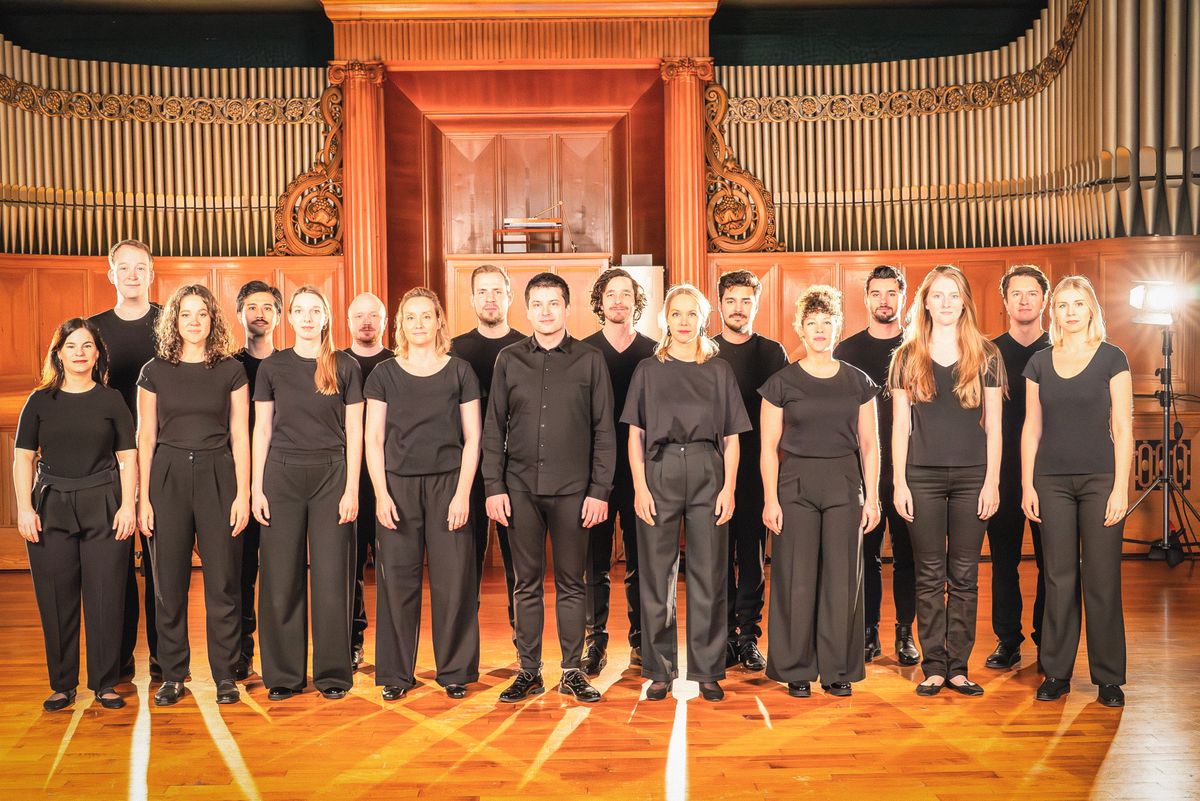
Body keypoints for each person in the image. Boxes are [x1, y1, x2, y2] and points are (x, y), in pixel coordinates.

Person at [483, 272, 614, 703]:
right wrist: (493, 486)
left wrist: (599, 490)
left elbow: (604, 431)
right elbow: (493, 427)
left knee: (573, 582)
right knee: (526, 583)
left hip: (575, 490)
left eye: (553, 303)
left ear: (566, 308)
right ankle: (529, 671)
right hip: (519, 488)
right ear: (526, 310)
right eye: (537, 304)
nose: (545, 311)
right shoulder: (508, 360)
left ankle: (572, 671)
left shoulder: (591, 360)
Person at [624, 283, 751, 702]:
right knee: (656, 575)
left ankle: (708, 669)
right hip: (659, 470)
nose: (683, 321)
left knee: (710, 573)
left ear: (703, 319)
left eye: (691, 313)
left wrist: (729, 487)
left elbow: (732, 437)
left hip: (706, 469)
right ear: (665, 318)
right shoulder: (648, 370)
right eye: (676, 313)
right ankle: (659, 671)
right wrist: (640, 486)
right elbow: (635, 435)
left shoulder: (719, 370)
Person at [889, 265, 1004, 698]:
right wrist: (899, 482)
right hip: (922, 477)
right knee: (929, 573)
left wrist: (992, 482)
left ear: (965, 302)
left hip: (974, 476)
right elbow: (900, 427)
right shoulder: (906, 356)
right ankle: (934, 666)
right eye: (937, 295)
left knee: (965, 575)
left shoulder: (986, 355)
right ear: (925, 302)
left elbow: (995, 427)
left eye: (954, 295)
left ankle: (958, 667)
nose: (945, 303)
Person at [760, 286, 881, 698]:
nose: (819, 330)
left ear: (837, 327)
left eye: (826, 322)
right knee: (796, 578)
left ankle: (837, 669)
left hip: (845, 483)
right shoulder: (780, 383)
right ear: (800, 328)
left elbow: (870, 445)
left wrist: (873, 497)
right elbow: (768, 448)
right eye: (811, 323)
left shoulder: (858, 381)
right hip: (795, 484)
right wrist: (770, 499)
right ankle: (796, 667)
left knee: (842, 579)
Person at [14, 319, 139, 711]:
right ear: (59, 354)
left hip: (105, 504)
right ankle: (62, 684)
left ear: (97, 354)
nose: (80, 353)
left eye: (87, 345)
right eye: (71, 346)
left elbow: (128, 457)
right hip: (50, 506)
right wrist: (24, 508)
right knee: (55, 597)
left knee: (106, 595)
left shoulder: (111, 400)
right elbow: (22, 458)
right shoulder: (39, 401)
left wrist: (128, 505)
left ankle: (105, 683)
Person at [365, 288, 482, 701]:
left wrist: (463, 493)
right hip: (397, 486)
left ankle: (455, 672)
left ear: (438, 322)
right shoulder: (383, 375)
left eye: (426, 316)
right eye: (410, 317)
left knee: (454, 582)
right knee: (398, 583)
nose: (418, 324)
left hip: (449, 484)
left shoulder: (460, 372)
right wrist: (381, 494)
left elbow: (473, 438)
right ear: (401, 325)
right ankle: (397, 675)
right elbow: (373, 439)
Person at [137, 284, 251, 706]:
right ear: (174, 321)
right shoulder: (153, 371)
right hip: (166, 476)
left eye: (202, 313)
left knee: (223, 581)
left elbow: (241, 435)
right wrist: (143, 498)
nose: (194, 321)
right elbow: (146, 437)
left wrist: (243, 493)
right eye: (185, 314)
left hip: (218, 473)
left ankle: (225, 675)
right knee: (168, 583)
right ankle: (172, 675)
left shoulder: (230, 371)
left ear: (212, 319)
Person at [1022, 276, 1132, 708]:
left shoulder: (1112, 358)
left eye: (1079, 303)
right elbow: (1032, 428)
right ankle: (1056, 672)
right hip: (1051, 482)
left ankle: (1109, 677)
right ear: (1055, 312)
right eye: (1063, 304)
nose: (1071, 311)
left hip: (1101, 481)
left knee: (1102, 578)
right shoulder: (1039, 363)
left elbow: (1123, 427)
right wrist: (1027, 483)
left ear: (1091, 309)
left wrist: (1120, 488)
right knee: (1058, 577)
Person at [251, 286, 363, 701]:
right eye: (300, 310)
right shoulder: (272, 367)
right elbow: (261, 430)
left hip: (332, 475)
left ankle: (333, 675)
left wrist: (352, 489)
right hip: (280, 477)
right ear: (290, 317)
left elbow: (356, 433)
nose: (308, 317)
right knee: (281, 579)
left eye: (315, 310)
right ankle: (283, 676)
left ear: (326, 317)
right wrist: (255, 488)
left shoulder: (345, 366)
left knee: (332, 579)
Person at [834, 265, 919, 666]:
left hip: (910, 469)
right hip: (860, 469)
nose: (884, 301)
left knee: (908, 555)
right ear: (866, 299)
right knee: (865, 555)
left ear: (903, 297)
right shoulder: (846, 351)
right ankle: (868, 632)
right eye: (876, 293)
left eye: (891, 293)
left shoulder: (918, 347)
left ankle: (905, 633)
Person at [88, 238, 160, 681]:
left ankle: (164, 659)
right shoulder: (93, 329)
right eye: (124, 267)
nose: (132, 275)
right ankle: (118, 660)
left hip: (161, 455)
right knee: (114, 565)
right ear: (111, 274)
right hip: (108, 460)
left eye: (140, 267)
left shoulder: (170, 322)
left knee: (159, 565)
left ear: (152, 273)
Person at [580, 268, 656, 675]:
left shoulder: (655, 352)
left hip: (642, 473)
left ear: (636, 302)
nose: (619, 301)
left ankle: (642, 641)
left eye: (626, 293)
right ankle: (595, 642)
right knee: (594, 563)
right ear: (600, 301)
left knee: (642, 561)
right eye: (611, 294)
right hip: (594, 474)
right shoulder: (583, 351)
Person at [712, 270, 788, 672]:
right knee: (717, 557)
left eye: (746, 301)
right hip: (713, 470)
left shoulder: (773, 353)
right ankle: (724, 636)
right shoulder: (705, 351)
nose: (738, 308)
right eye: (731, 301)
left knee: (753, 556)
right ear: (719, 305)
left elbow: (786, 414)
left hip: (759, 468)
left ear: (756, 305)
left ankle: (747, 637)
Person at [451, 265, 525, 633]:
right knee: (465, 563)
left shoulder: (527, 348)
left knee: (519, 564)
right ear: (472, 299)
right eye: (482, 291)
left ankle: (524, 648)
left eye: (497, 291)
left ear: (509, 297)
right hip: (465, 469)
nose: (490, 298)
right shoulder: (454, 350)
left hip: (517, 469)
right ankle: (464, 649)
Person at [985, 265, 1051, 671]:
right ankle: (1007, 640)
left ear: (1044, 300)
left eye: (1032, 293)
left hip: (1052, 471)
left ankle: (1048, 640)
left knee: (1052, 563)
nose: (1024, 300)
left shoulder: (1060, 349)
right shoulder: (989, 352)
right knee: (1004, 560)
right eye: (1016, 293)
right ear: (1005, 301)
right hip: (1004, 470)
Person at [231, 280, 282, 680]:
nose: (259, 314)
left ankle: (282, 656)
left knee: (281, 574)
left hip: (282, 480)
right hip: (238, 483)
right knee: (241, 573)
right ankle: (241, 652)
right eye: (251, 307)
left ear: (279, 316)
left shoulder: (291, 364)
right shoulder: (227, 367)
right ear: (239, 314)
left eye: (267, 307)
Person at [342, 292, 393, 671]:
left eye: (373, 315)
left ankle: (394, 648)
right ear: (348, 321)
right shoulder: (335, 364)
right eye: (359, 315)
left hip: (392, 480)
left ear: (385, 321)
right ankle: (352, 642)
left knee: (394, 566)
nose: (366, 322)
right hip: (348, 480)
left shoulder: (397, 363)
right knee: (351, 565)